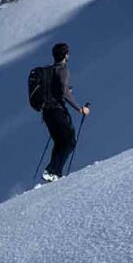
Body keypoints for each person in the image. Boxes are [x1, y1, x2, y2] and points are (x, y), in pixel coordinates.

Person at [41, 43, 90, 181]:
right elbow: (64, 92)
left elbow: (58, 90)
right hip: (57, 111)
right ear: (66, 54)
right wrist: (79, 108)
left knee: (60, 142)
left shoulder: (49, 71)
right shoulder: (63, 70)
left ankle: (56, 174)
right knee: (70, 141)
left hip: (47, 113)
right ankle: (51, 170)